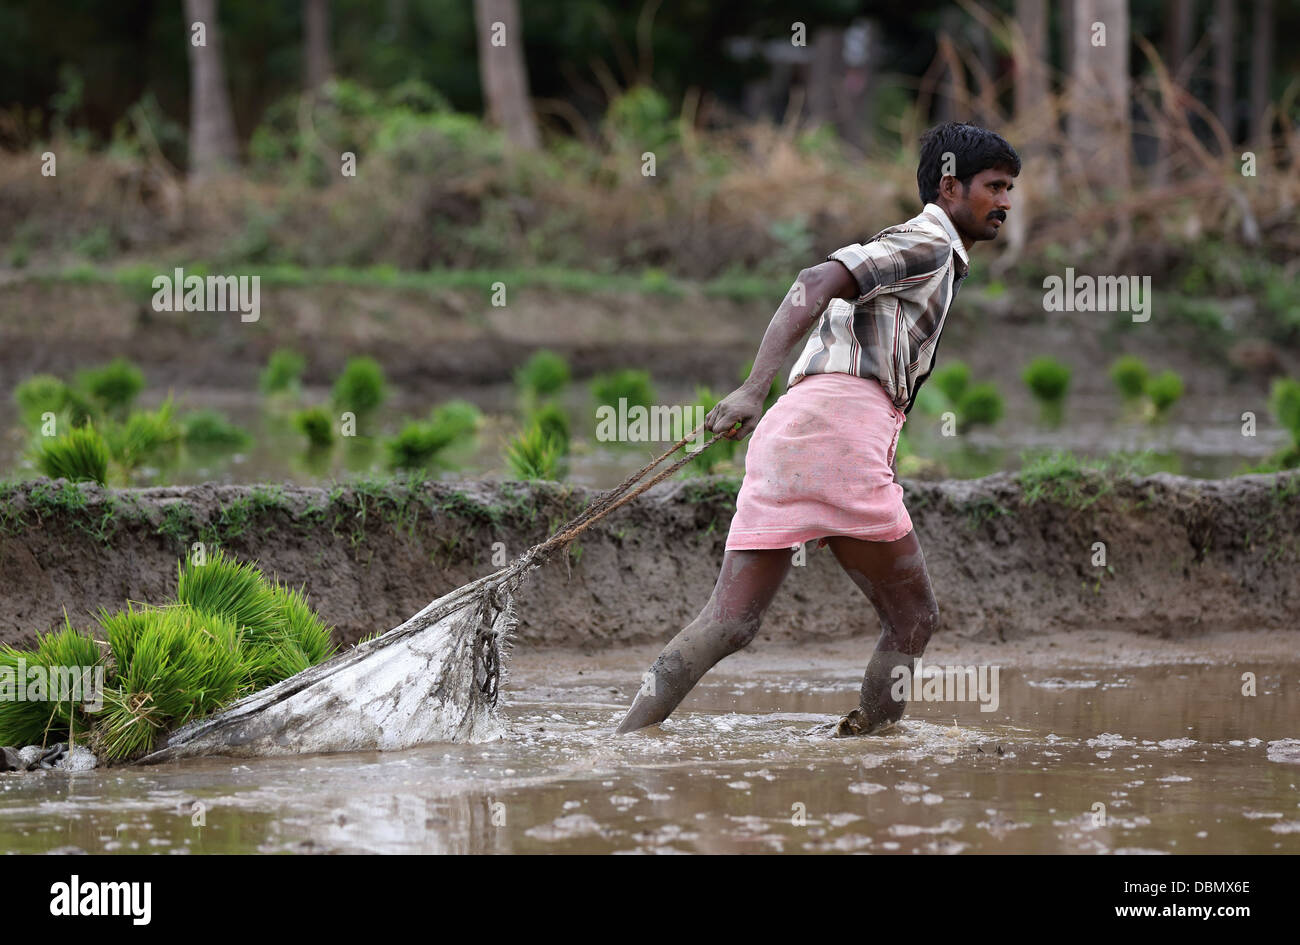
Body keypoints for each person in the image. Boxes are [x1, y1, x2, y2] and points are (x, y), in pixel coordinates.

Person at [613, 121, 1020, 737]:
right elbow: (813, 282)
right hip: (837, 436)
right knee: (912, 618)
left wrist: (765, 399)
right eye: (994, 186)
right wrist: (752, 385)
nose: (1006, 203)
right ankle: (870, 748)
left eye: (1010, 189)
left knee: (728, 623)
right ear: (949, 184)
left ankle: (621, 738)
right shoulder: (929, 243)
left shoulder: (927, 253)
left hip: (790, 434)